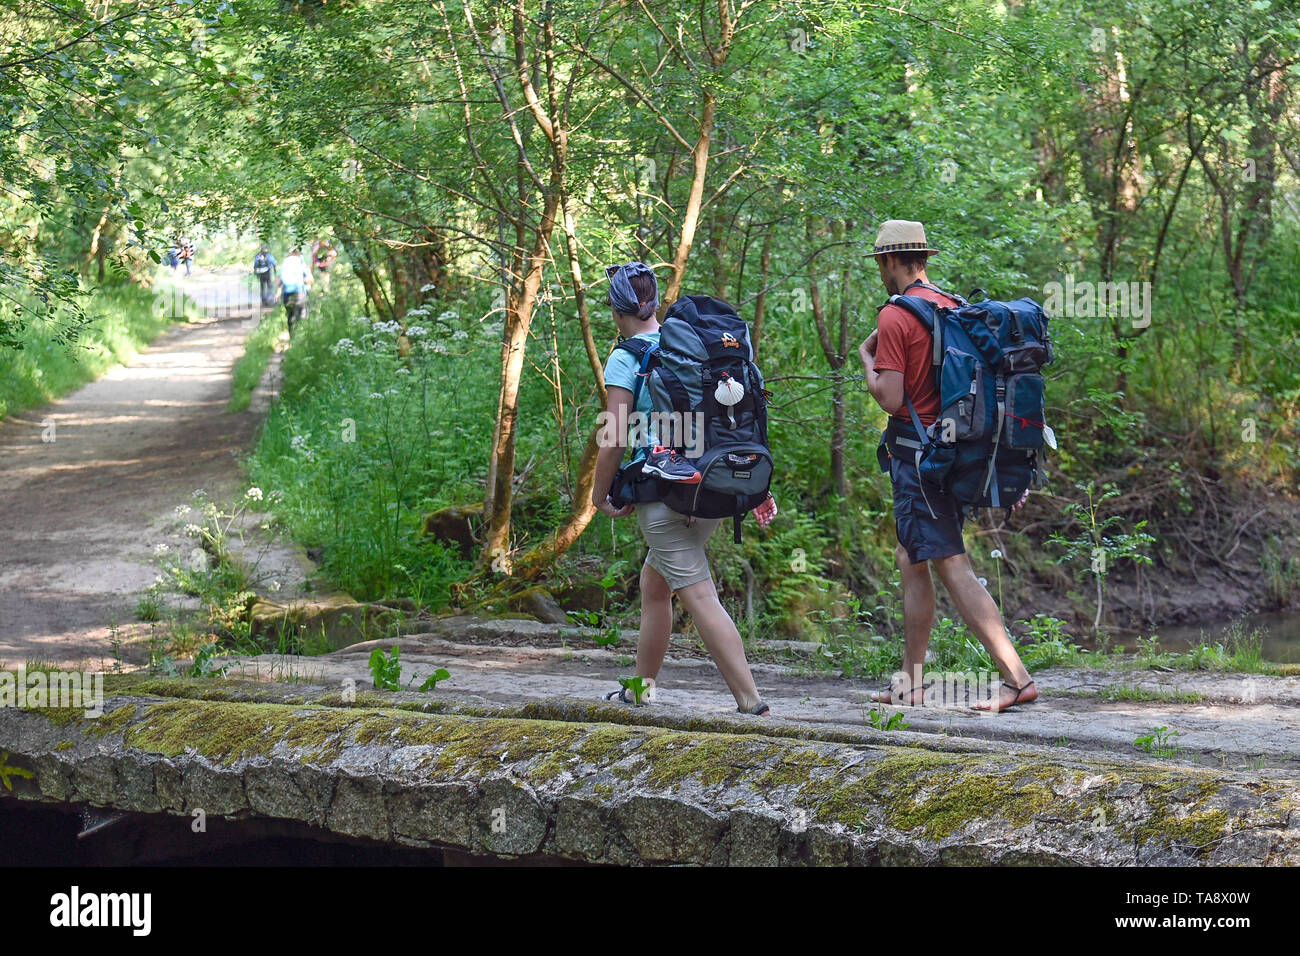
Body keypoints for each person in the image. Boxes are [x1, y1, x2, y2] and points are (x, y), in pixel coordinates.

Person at [859, 220, 1037, 713]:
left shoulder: (896, 317)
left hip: (918, 457)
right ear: (923, 258)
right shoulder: (949, 304)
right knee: (910, 558)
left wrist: (864, 362)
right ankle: (911, 683)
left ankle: (1016, 679)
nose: (880, 270)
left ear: (889, 261)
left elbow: (890, 397)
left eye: (880, 262)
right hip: (952, 452)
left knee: (950, 562)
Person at [592, 261, 778, 716]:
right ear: (654, 300)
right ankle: (640, 690)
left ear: (617, 310)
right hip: (711, 489)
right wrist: (753, 489)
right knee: (655, 586)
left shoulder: (627, 355)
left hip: (662, 496)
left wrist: (599, 495)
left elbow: (615, 433)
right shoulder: (699, 347)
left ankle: (751, 702)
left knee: (698, 594)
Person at [279, 247, 312, 335]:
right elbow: (309, 279)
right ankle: (302, 339)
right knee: (302, 315)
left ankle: (292, 339)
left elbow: (279, 281)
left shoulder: (285, 262)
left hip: (287, 294)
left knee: (291, 315)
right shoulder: (300, 260)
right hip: (299, 292)